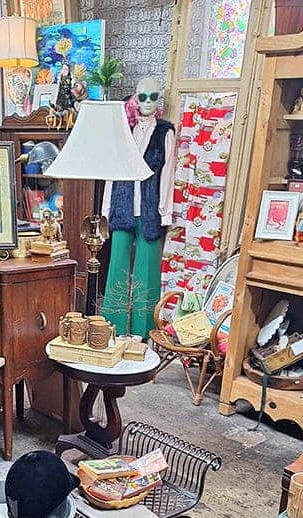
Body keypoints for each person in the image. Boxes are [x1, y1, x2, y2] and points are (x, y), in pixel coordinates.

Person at [101, 76, 176, 338]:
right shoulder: (124, 129)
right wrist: (105, 210)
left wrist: (165, 211)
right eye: (142, 96)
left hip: (149, 211)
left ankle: (144, 333)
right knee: (117, 269)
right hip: (121, 208)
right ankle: (113, 327)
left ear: (159, 99)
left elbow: (168, 173)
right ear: (135, 96)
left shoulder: (166, 131)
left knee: (147, 271)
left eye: (152, 97)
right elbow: (112, 171)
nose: (147, 102)